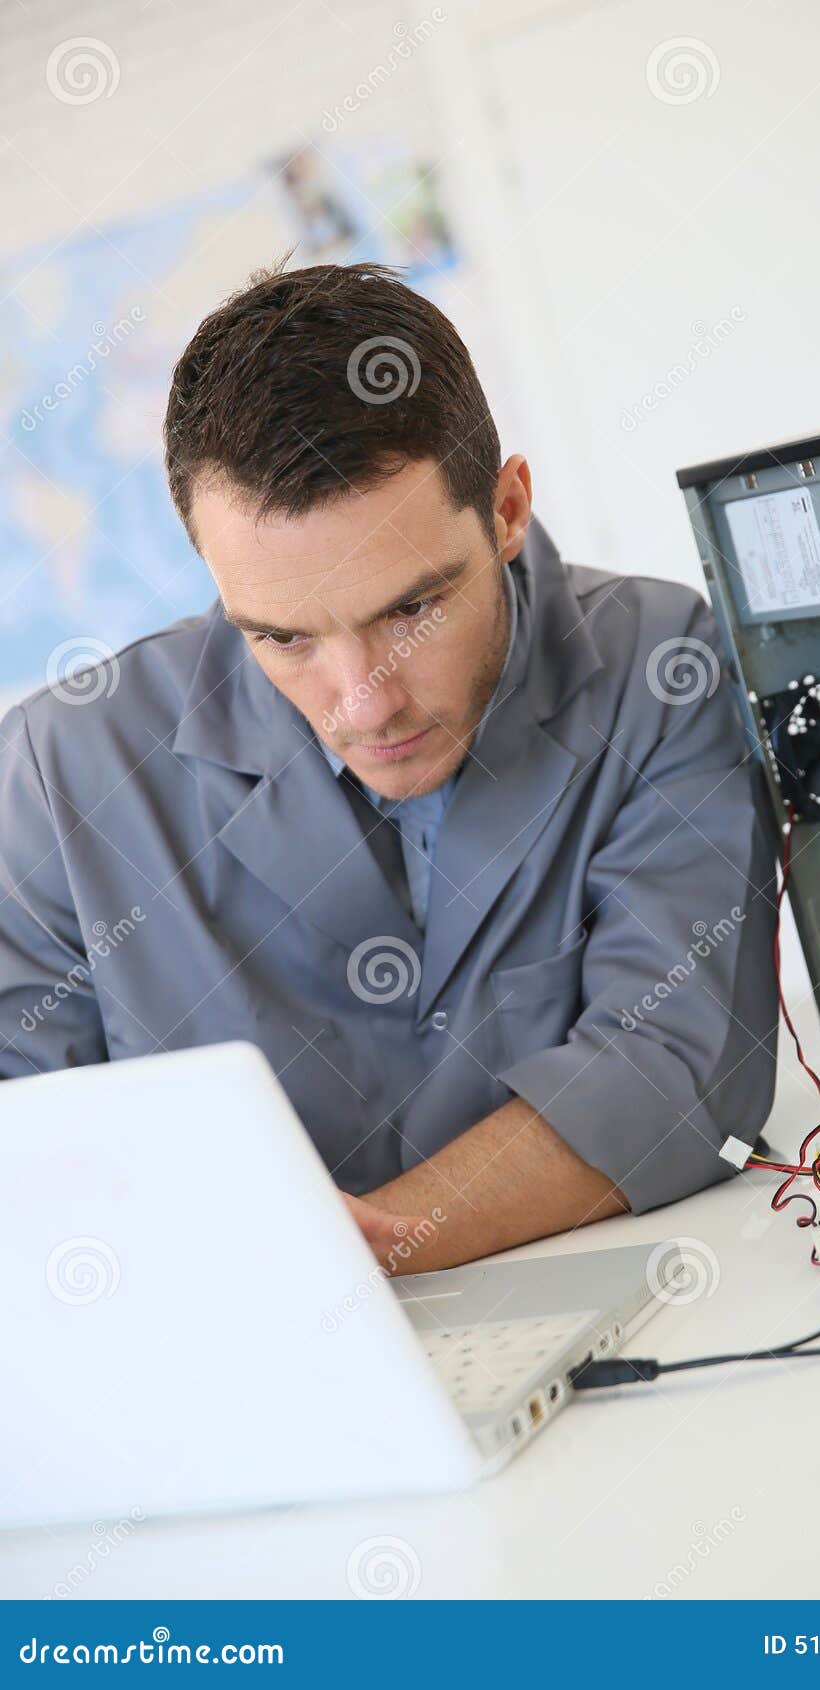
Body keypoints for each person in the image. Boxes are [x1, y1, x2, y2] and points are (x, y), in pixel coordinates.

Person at [0, 261, 779, 1271]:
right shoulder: (63, 771)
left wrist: (358, 1259)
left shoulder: (658, 663)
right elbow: (29, 1161)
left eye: (410, 609)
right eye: (283, 637)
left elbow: (679, 1062)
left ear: (505, 508)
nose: (363, 702)